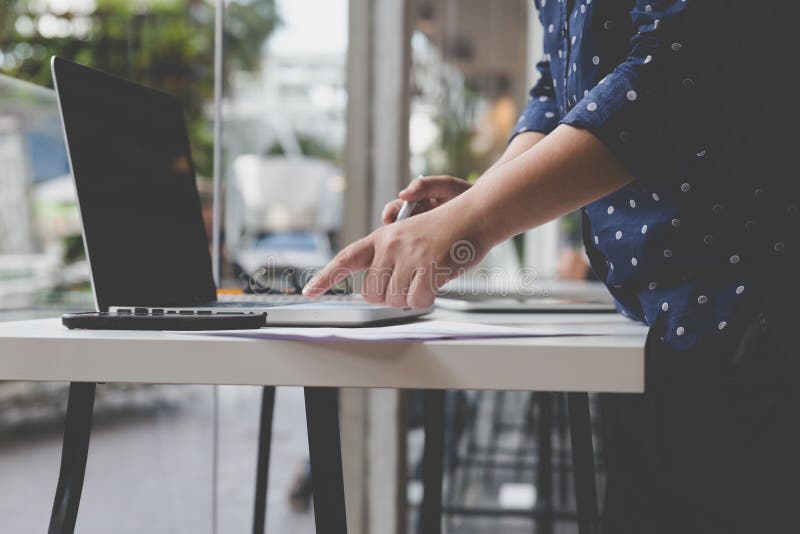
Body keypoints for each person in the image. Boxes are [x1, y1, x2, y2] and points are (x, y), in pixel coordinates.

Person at [304, 1, 800, 532]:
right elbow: (557, 88)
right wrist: (477, 205)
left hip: (755, 310)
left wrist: (475, 220)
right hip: (667, 325)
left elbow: (676, 63)